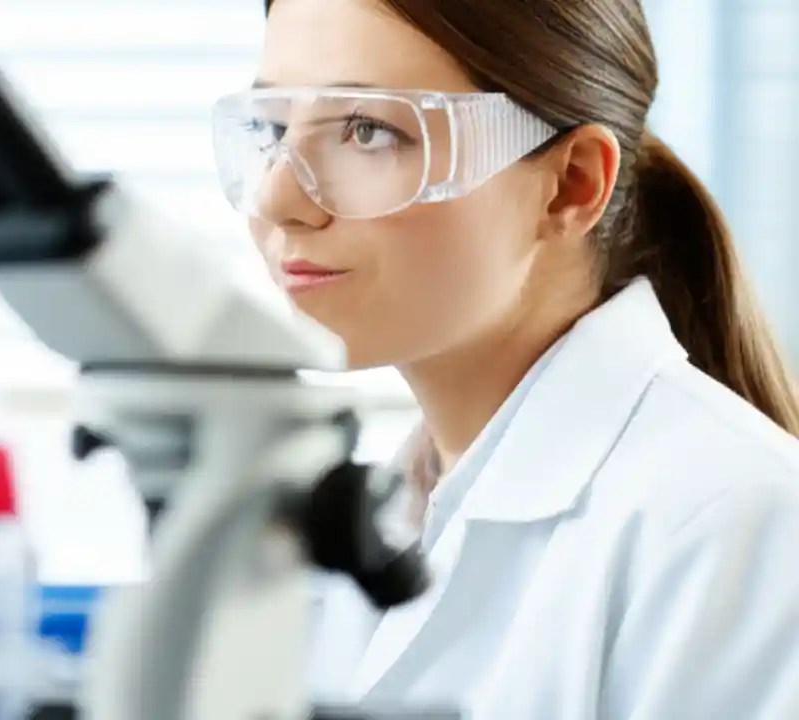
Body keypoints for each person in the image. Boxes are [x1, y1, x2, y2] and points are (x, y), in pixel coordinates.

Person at [210, 0, 799, 717]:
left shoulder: (735, 524)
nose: (279, 199)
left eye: (368, 131)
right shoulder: (396, 506)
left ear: (571, 184)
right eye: (272, 128)